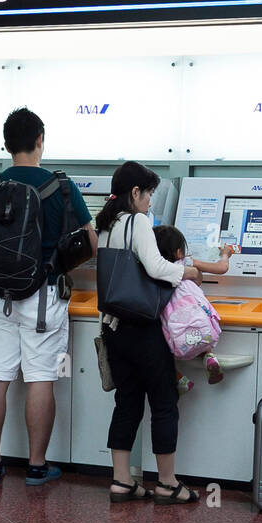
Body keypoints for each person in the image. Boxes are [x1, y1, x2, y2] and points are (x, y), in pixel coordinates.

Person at [0, 107, 97, 485]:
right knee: (41, 378)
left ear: (6, 145)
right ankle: (37, 466)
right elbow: (90, 243)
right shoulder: (62, 186)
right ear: (40, 140)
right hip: (45, 296)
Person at [95, 162, 204, 505]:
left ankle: (122, 481)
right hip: (143, 328)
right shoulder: (137, 221)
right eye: (149, 194)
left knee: (126, 401)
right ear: (135, 192)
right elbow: (156, 267)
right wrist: (188, 272)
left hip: (112, 327)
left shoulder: (106, 224)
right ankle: (168, 483)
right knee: (163, 402)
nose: (151, 202)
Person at [154, 224, 231, 390]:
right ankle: (208, 356)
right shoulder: (187, 261)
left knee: (164, 344)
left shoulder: (155, 268)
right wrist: (225, 254)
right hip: (197, 315)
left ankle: (178, 379)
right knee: (199, 325)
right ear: (179, 252)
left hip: (170, 314)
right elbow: (221, 268)